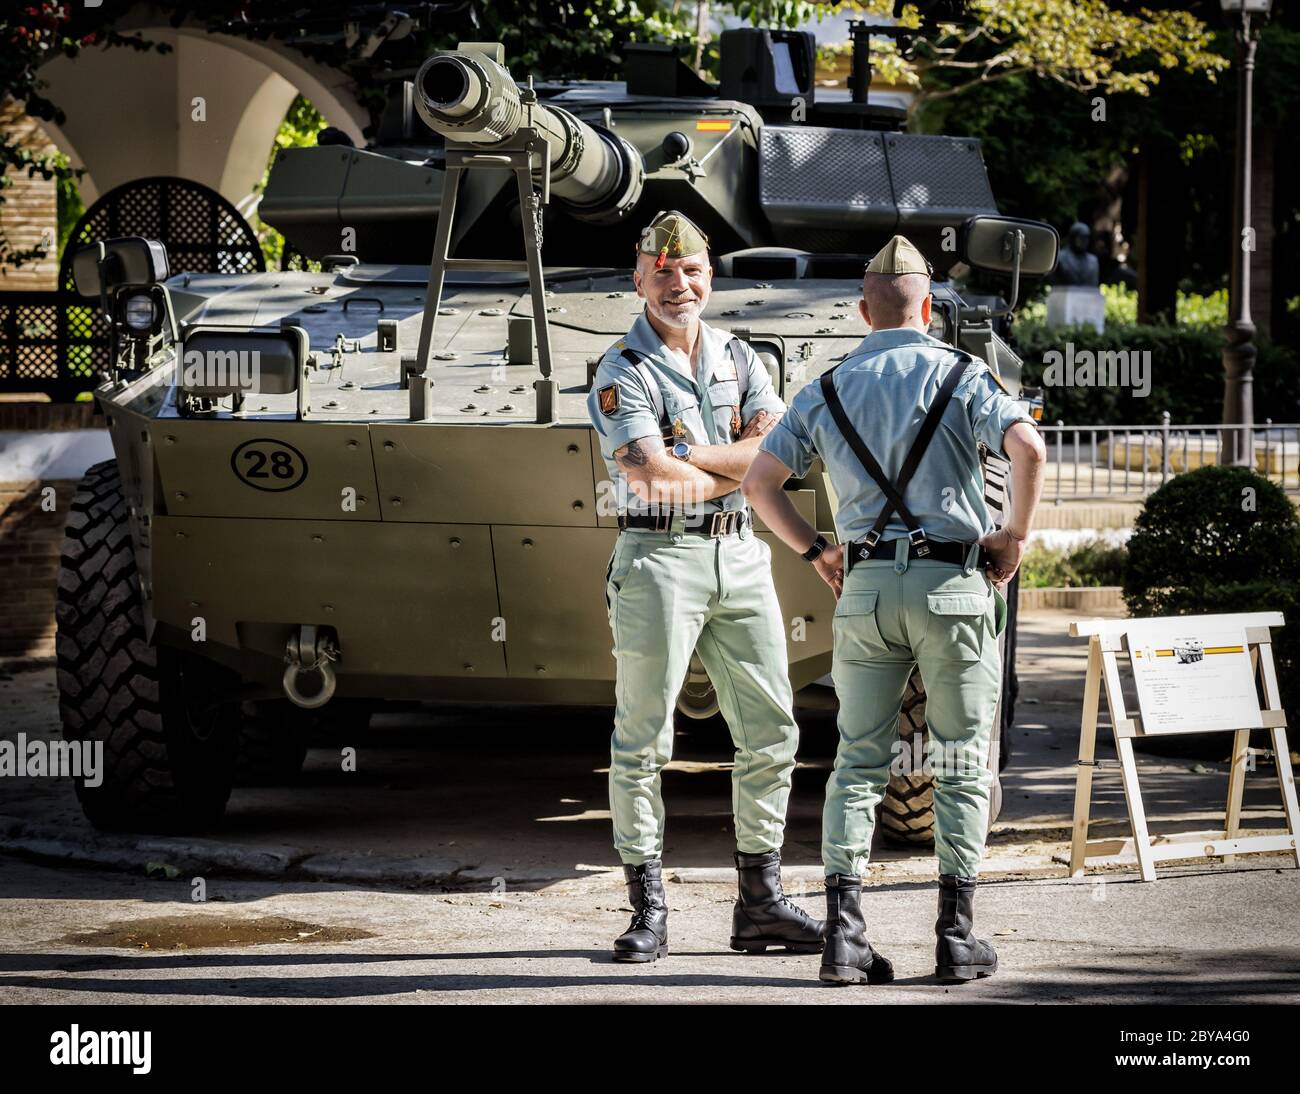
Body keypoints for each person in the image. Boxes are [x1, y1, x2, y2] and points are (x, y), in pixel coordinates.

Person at [742, 234, 1047, 986]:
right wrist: (1012, 537)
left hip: (867, 588)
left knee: (856, 766)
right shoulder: (963, 373)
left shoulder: (829, 386)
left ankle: (843, 941)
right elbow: (1030, 451)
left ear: (860, 311)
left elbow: (759, 484)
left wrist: (819, 552)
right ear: (931, 308)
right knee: (959, 763)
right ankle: (955, 938)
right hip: (952, 587)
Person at [586, 210, 825, 963]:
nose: (677, 282)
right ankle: (648, 912)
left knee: (772, 733)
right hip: (659, 563)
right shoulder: (620, 367)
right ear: (638, 278)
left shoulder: (743, 356)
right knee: (643, 741)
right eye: (662, 270)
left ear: (710, 276)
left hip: (742, 558)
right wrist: (735, 465)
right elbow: (650, 480)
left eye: (690, 270)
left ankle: (761, 903)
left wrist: (703, 453)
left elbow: (775, 461)